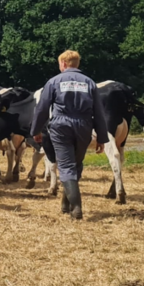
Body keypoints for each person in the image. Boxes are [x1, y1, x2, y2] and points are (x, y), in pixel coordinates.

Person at [30, 50, 109, 220]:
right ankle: (66, 203)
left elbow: (42, 109)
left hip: (61, 125)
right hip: (84, 126)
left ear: (64, 64)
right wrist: (102, 137)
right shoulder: (89, 83)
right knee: (76, 163)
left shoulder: (54, 81)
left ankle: (77, 207)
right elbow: (99, 112)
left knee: (65, 166)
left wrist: (35, 131)